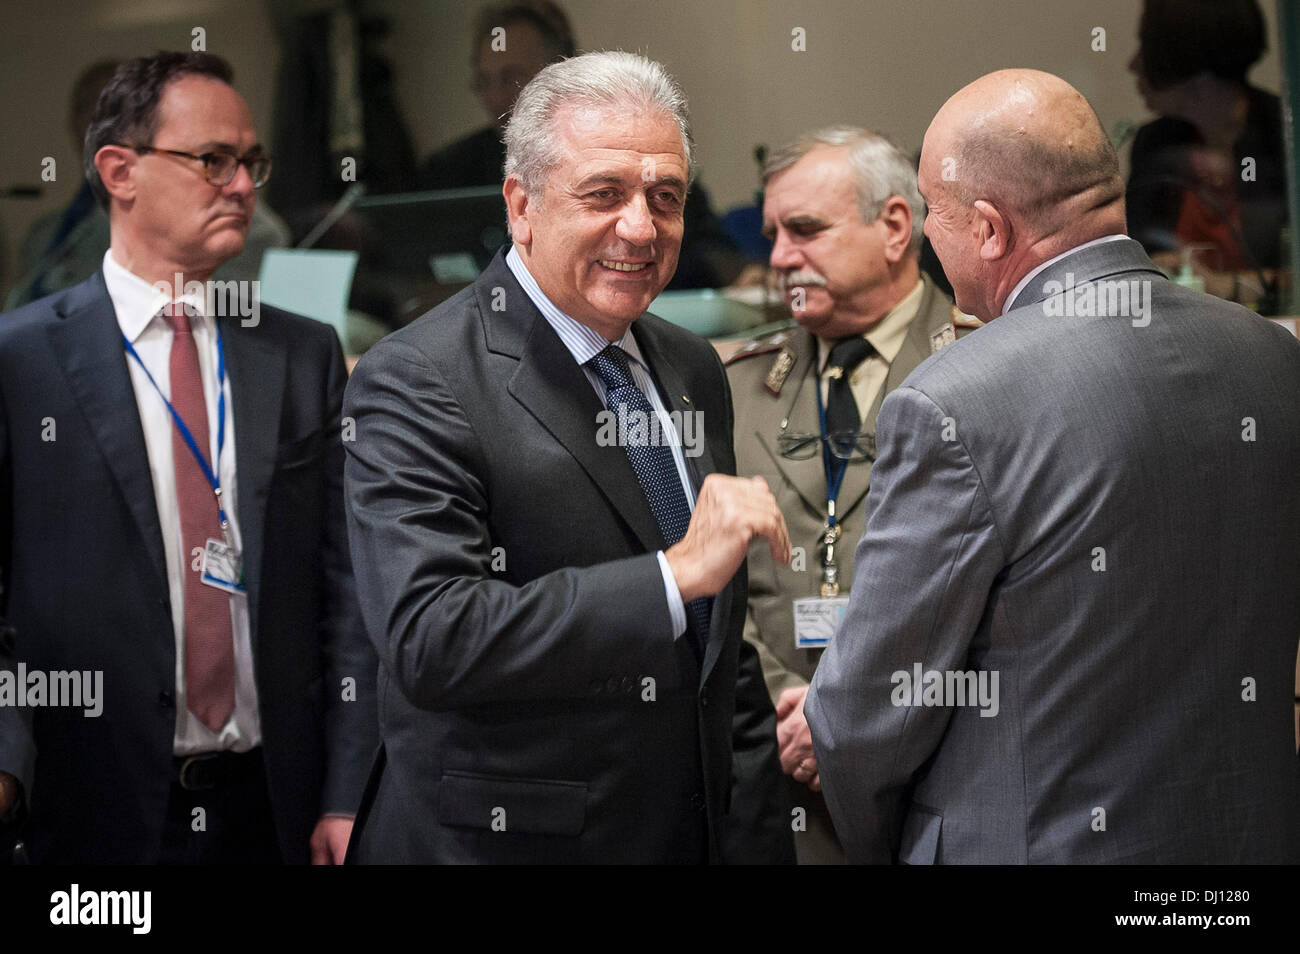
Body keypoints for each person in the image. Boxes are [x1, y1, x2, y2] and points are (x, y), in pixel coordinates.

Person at [806, 68, 1300, 863]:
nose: (932, 235)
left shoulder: (956, 403)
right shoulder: (1271, 357)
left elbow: (869, 712)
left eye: (936, 211)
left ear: (992, 231)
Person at [343, 50, 795, 864]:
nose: (641, 227)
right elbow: (430, 637)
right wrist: (670, 577)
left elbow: (719, 663)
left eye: (666, 198)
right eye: (604, 194)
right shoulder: (419, 376)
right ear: (521, 203)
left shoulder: (690, 366)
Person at [0, 51, 377, 864]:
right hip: (87, 814)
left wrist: (348, 792)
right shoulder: (20, 361)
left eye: (252, 162)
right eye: (213, 161)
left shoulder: (301, 354)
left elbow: (349, 592)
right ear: (119, 171)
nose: (243, 185)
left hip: (275, 809)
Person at [724, 126, 974, 863]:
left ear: (896, 227)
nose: (777, 258)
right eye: (773, 235)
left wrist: (851, 715)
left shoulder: (982, 368)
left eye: (805, 230)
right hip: (777, 780)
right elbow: (711, 578)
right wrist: (785, 707)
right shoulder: (739, 387)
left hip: (939, 778)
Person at [5, 59, 291, 312]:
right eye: (87, 108)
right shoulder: (44, 235)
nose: (97, 124)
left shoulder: (240, 225)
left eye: (115, 111)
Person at [1125, 0, 1286, 286]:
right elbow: (1137, 255)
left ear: (1189, 53)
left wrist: (1232, 287)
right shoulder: (1155, 144)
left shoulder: (1285, 138)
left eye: (1148, 46)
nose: (1133, 65)